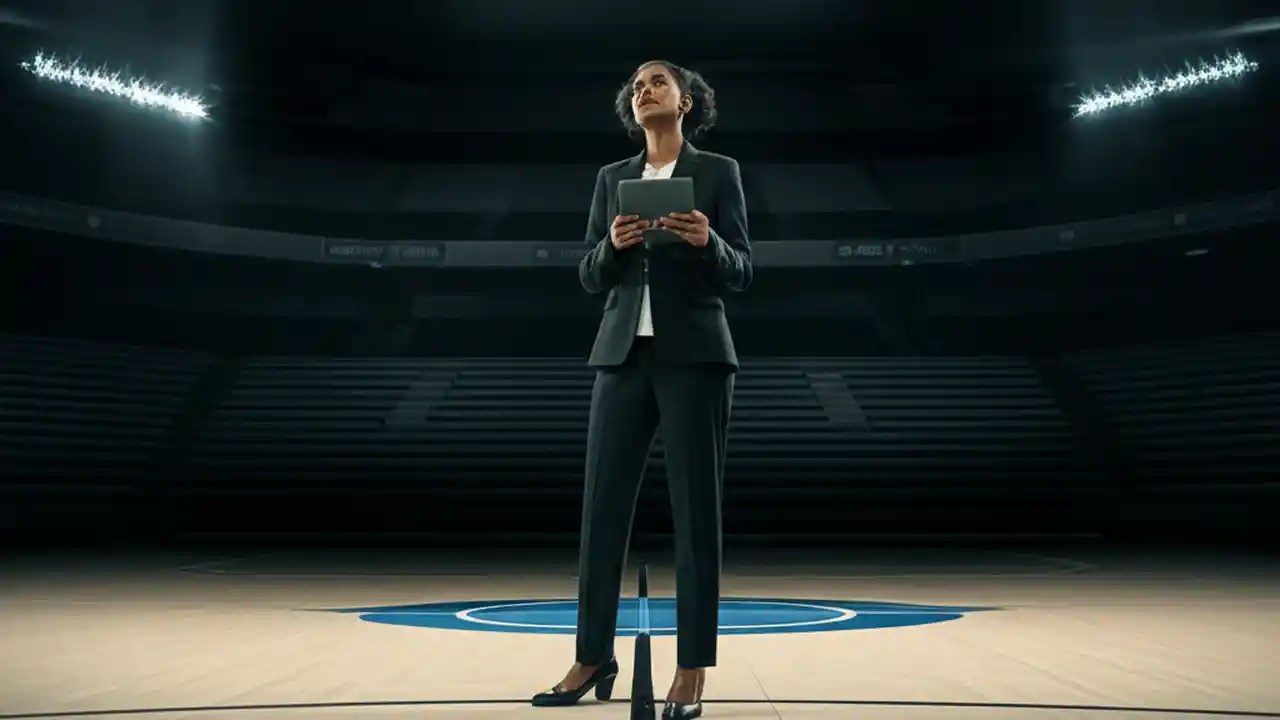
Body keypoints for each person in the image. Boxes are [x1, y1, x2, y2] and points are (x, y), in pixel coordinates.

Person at [530, 60, 752, 720]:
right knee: (600, 516)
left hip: (696, 358)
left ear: (685, 102)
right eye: (636, 87)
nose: (643, 90)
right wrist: (614, 245)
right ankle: (591, 657)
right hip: (621, 358)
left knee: (696, 519)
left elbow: (742, 270)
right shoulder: (612, 179)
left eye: (657, 81)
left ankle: (692, 670)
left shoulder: (719, 173)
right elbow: (589, 274)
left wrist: (709, 240)